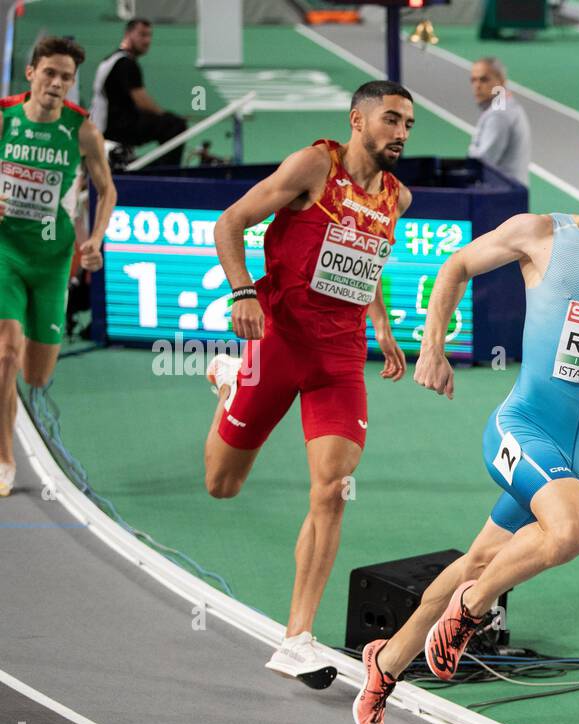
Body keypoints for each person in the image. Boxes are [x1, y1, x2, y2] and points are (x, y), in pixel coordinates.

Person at [350, 119, 579, 724]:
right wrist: (432, 347)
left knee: (479, 556)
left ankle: (386, 662)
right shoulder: (541, 236)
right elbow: (454, 266)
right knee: (576, 529)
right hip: (522, 430)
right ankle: (470, 611)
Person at [205, 81, 413, 687]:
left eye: (408, 125)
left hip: (339, 360)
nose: (401, 133)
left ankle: (296, 637)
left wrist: (381, 324)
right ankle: (228, 384)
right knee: (222, 485)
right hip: (278, 343)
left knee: (333, 487)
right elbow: (230, 222)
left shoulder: (396, 198)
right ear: (357, 119)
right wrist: (243, 291)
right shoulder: (312, 167)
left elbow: (364, 264)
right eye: (391, 120)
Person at [0, 36, 116, 498]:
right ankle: (4, 456)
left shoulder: (81, 130)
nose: (56, 83)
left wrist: (96, 239)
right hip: (5, 251)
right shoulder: (5, 117)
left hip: (52, 260)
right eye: (49, 73)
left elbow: (107, 190)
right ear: (31, 74)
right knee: (6, 352)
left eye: (65, 77)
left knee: (35, 375)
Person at [90, 18, 188, 167]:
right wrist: (164, 115)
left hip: (103, 125)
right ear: (128, 34)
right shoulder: (126, 63)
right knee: (174, 125)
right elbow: (141, 101)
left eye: (149, 36)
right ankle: (164, 171)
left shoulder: (110, 59)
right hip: (116, 129)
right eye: (142, 35)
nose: (147, 40)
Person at [466, 57, 531, 186]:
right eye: (473, 80)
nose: (477, 86)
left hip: (503, 195)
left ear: (501, 81)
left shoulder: (499, 114)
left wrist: (472, 150)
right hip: (511, 191)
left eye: (484, 79)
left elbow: (483, 162)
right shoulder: (508, 105)